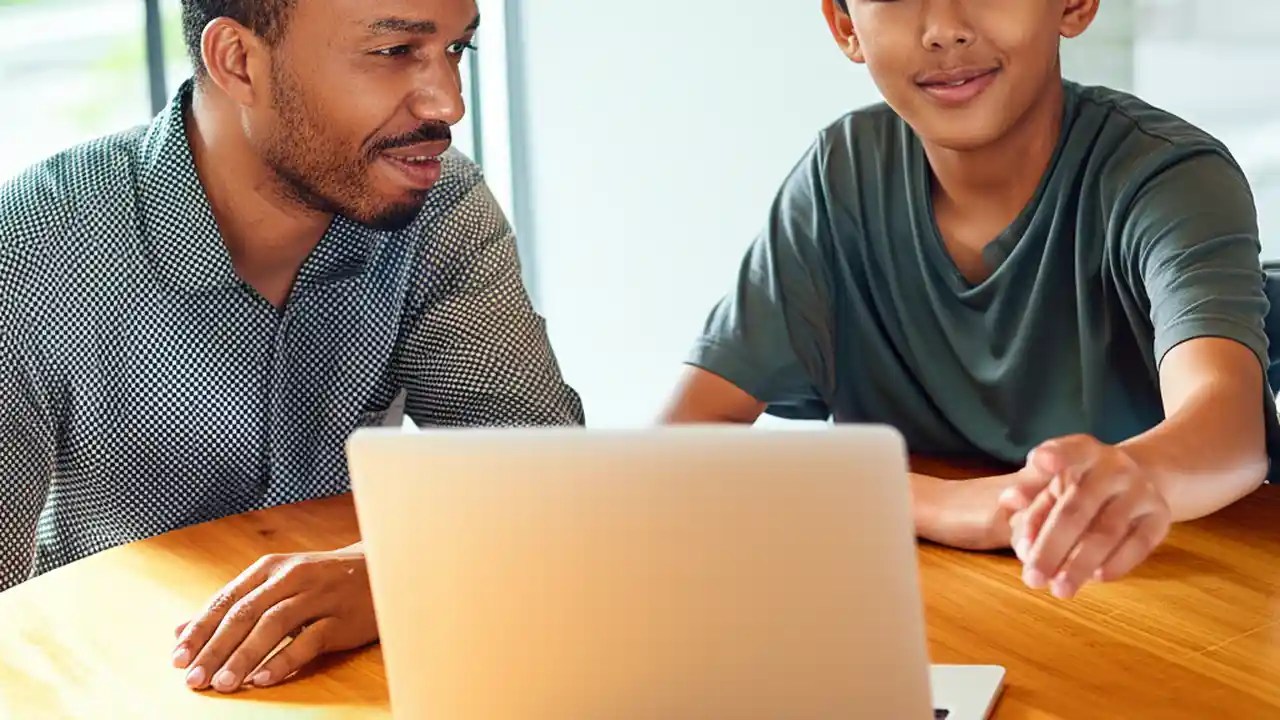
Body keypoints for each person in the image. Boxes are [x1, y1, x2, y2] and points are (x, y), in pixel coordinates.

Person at [0, 0, 581, 694]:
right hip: (110, 684)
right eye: (395, 53)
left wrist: (394, 568)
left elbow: (547, 491)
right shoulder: (39, 241)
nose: (449, 104)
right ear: (239, 62)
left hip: (363, 685)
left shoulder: (439, 207)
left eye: (459, 50)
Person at [661, 0, 1278, 602]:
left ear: (1075, 4)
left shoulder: (1168, 177)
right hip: (917, 606)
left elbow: (1228, 425)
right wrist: (954, 507)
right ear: (845, 25)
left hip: (1168, 602)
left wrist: (1131, 477)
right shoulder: (839, 181)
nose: (946, 29)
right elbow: (678, 446)